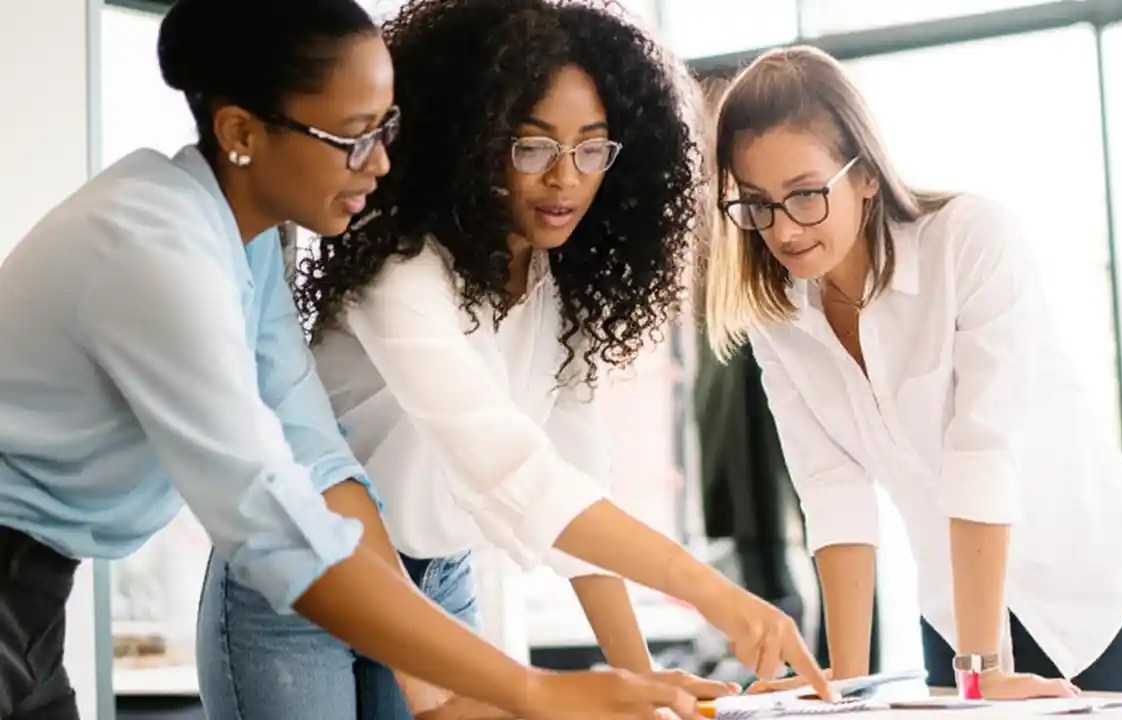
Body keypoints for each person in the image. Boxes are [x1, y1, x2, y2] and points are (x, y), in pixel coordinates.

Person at [0, 0, 730, 718]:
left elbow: (320, 463)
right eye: (351, 137)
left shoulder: (244, 246)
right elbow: (270, 521)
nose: (380, 163)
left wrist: (449, 688)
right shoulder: (157, 251)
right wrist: (529, 689)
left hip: (32, 601)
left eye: (385, 130)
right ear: (241, 131)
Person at [195, 2, 831, 719]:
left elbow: (573, 485)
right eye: (533, 147)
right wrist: (714, 594)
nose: (566, 179)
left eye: (592, 149)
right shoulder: (401, 267)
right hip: (302, 583)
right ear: (472, 139)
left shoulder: (567, 287)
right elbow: (506, 469)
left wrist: (651, 689)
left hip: (438, 582)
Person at [704, 46, 1122, 699]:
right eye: (757, 204)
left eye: (806, 195)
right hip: (956, 612)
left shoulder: (971, 241)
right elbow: (831, 490)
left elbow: (983, 453)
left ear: (866, 173)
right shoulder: (778, 316)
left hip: (1102, 592)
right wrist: (843, 688)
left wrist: (981, 673)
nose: (783, 230)